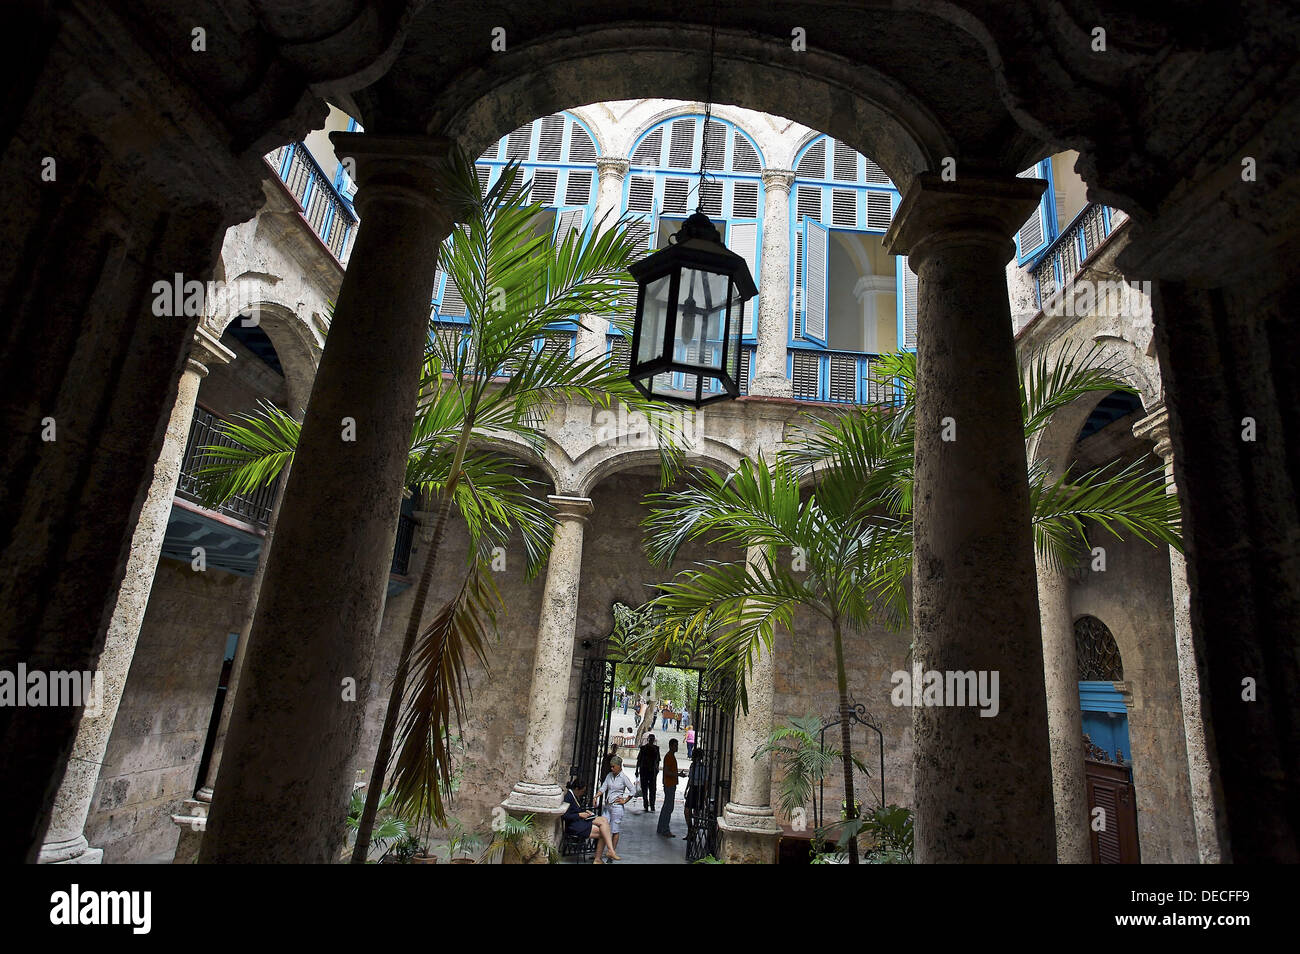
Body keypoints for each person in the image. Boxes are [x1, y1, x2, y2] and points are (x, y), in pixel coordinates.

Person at [562, 777, 619, 863]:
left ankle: (610, 851)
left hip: (579, 821)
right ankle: (601, 857)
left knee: (604, 820)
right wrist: (580, 814)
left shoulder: (575, 795)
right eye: (582, 791)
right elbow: (565, 816)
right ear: (577, 789)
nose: (583, 793)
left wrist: (585, 812)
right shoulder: (568, 797)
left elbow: (575, 809)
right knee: (603, 832)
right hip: (574, 826)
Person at [597, 756, 637, 859]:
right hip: (608, 806)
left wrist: (624, 800)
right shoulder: (609, 776)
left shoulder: (623, 778)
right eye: (611, 767)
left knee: (615, 830)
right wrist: (596, 796)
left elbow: (633, 791)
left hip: (617, 807)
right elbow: (603, 787)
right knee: (603, 828)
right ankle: (599, 855)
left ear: (619, 766)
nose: (612, 769)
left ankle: (612, 853)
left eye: (613, 767)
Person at [657, 738, 680, 837]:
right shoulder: (669, 757)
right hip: (669, 784)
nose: (677, 747)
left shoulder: (671, 756)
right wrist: (676, 774)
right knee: (668, 807)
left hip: (670, 784)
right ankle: (665, 829)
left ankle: (661, 827)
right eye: (675, 745)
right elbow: (667, 771)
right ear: (671, 746)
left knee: (666, 806)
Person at [635, 733, 660, 812]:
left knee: (649, 788)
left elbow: (657, 760)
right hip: (647, 770)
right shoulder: (644, 748)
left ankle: (649, 804)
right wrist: (637, 769)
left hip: (649, 770)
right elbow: (639, 760)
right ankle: (648, 804)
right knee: (647, 788)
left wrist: (656, 769)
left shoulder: (654, 748)